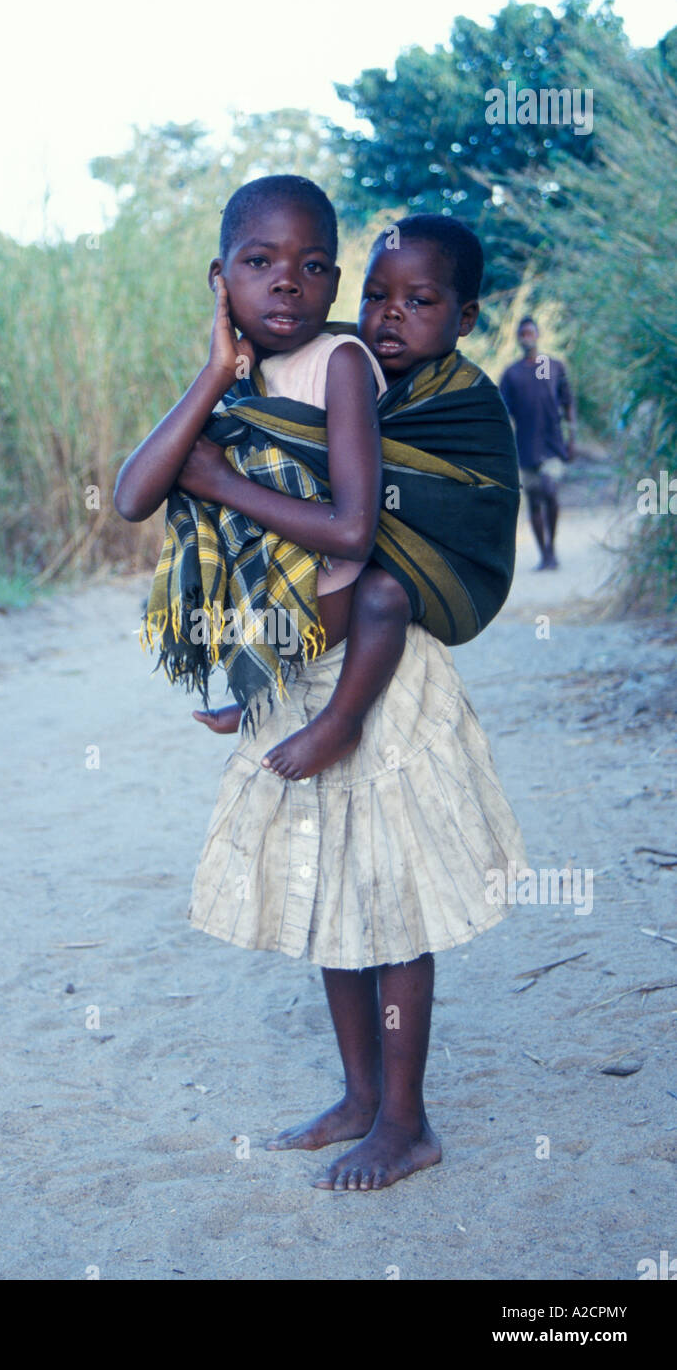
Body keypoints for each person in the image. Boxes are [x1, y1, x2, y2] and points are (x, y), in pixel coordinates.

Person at [115, 177, 528, 1192]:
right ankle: (355, 1096)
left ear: (328, 276)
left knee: (388, 898)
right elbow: (133, 494)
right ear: (220, 280)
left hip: (369, 677)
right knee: (328, 894)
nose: (285, 283)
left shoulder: (342, 362)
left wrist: (217, 480)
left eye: (308, 266)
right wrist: (214, 374)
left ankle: (406, 1119)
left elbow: (352, 528)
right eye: (257, 264)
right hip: (290, 662)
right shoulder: (250, 367)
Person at [500, 317, 576, 569]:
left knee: (550, 490)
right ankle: (544, 554)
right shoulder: (511, 374)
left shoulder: (554, 366)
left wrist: (572, 438)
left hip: (552, 444)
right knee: (533, 499)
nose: (527, 337)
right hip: (525, 446)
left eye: (530, 332)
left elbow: (568, 403)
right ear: (518, 337)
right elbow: (503, 413)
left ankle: (552, 549)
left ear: (538, 334)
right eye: (522, 333)